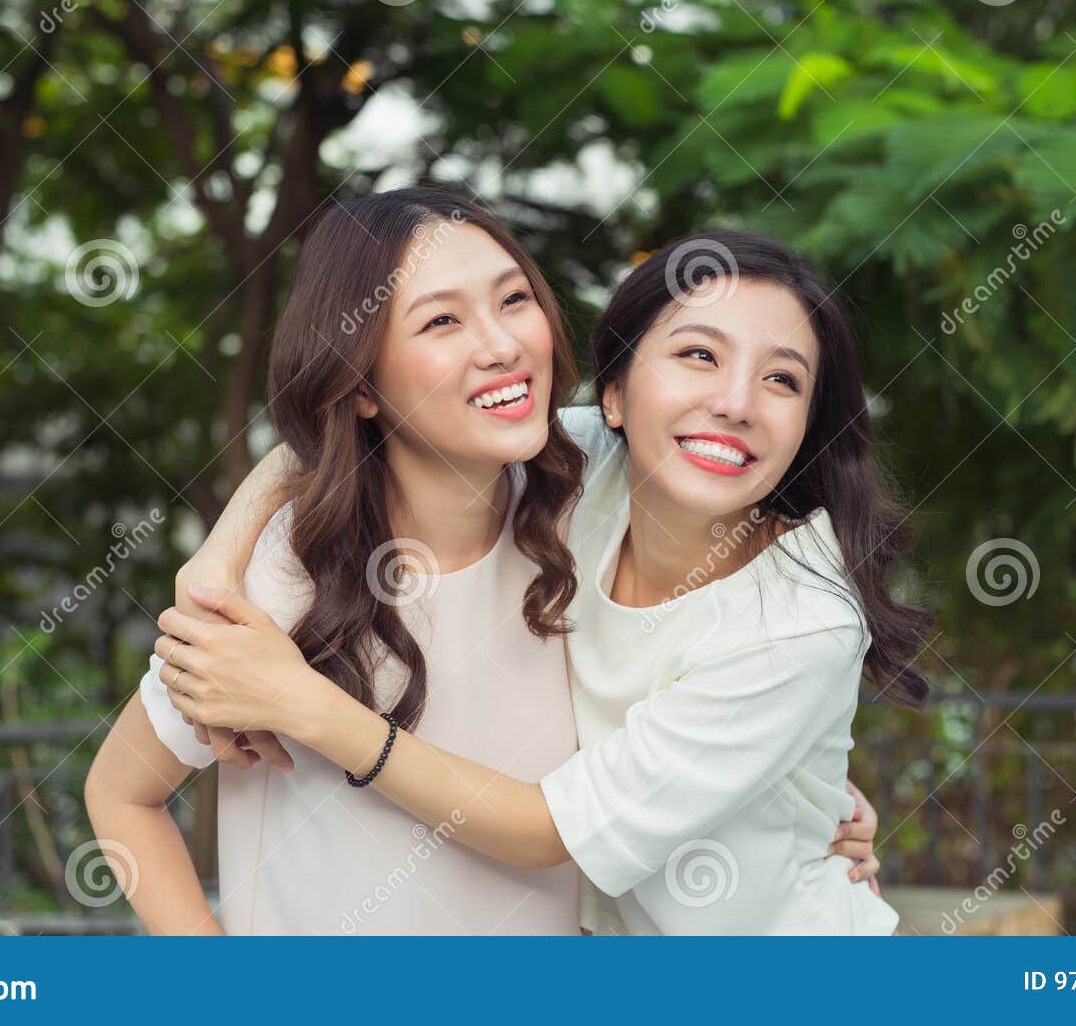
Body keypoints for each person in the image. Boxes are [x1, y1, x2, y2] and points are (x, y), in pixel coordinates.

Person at [158, 223, 925, 933]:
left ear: (807, 428)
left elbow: (547, 831)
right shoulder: (584, 468)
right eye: (699, 355)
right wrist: (217, 560)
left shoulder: (800, 620)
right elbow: (378, 425)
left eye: (784, 381)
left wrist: (302, 704)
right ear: (615, 396)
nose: (734, 403)